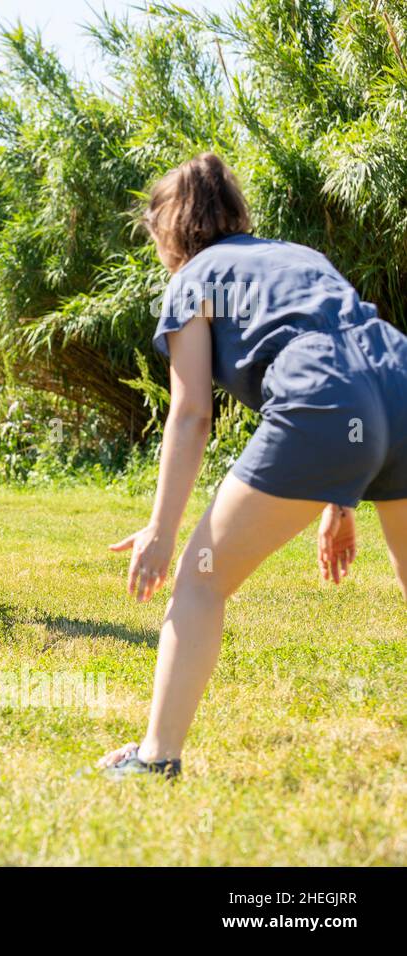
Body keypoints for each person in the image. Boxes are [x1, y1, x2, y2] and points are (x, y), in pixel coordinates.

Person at [101, 153, 407, 778]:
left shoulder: (192, 278)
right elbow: (351, 357)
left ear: (170, 229)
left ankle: (155, 759)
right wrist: (342, 496)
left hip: (325, 402)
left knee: (201, 579)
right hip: (399, 378)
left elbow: (190, 417)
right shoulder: (296, 255)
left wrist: (161, 529)